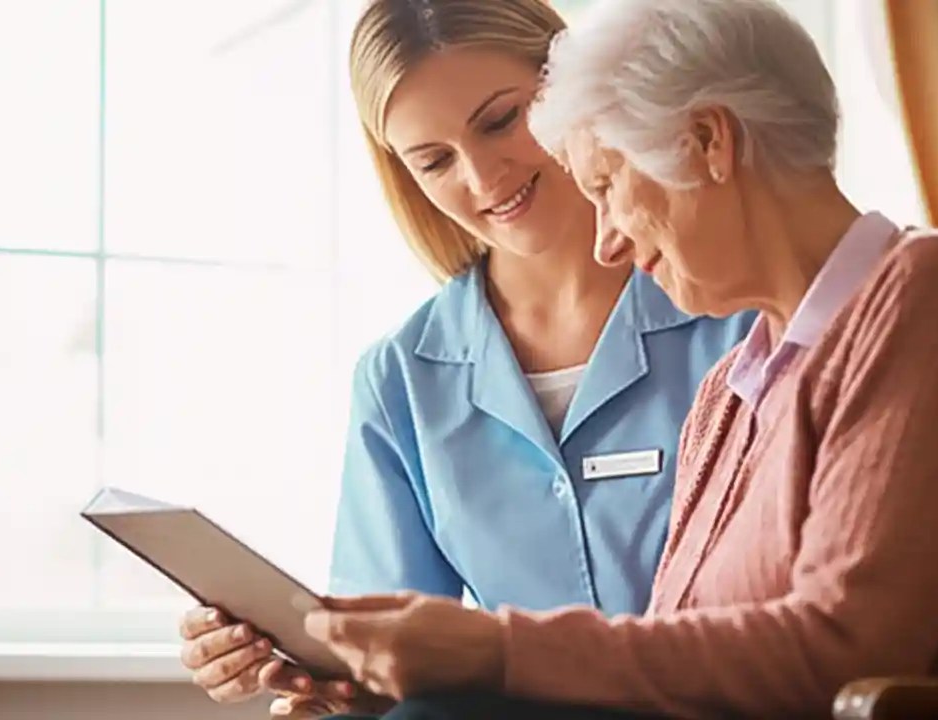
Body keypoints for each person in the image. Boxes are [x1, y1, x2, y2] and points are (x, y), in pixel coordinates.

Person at [301, 0, 938, 718]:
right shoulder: (729, 394)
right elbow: (671, 656)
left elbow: (843, 648)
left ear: (707, 142)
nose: (607, 242)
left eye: (606, 186)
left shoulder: (937, 292)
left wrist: (495, 649)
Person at [178, 0, 753, 716]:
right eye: (435, 160)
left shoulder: (737, 315)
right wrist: (320, 684)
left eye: (500, 120)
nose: (484, 179)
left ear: (573, 88)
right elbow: (391, 667)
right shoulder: (401, 382)